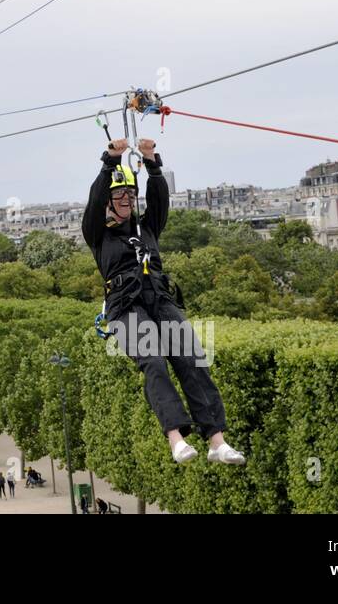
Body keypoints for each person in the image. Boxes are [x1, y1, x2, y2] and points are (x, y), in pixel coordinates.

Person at [82, 137, 246, 467]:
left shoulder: (147, 228)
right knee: (154, 362)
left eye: (130, 195)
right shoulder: (98, 234)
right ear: (108, 201)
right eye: (119, 195)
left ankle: (216, 441)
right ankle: (176, 438)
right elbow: (95, 198)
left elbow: (159, 200)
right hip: (125, 305)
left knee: (192, 358)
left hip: (159, 297)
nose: (126, 200)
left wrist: (151, 161)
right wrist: (110, 162)